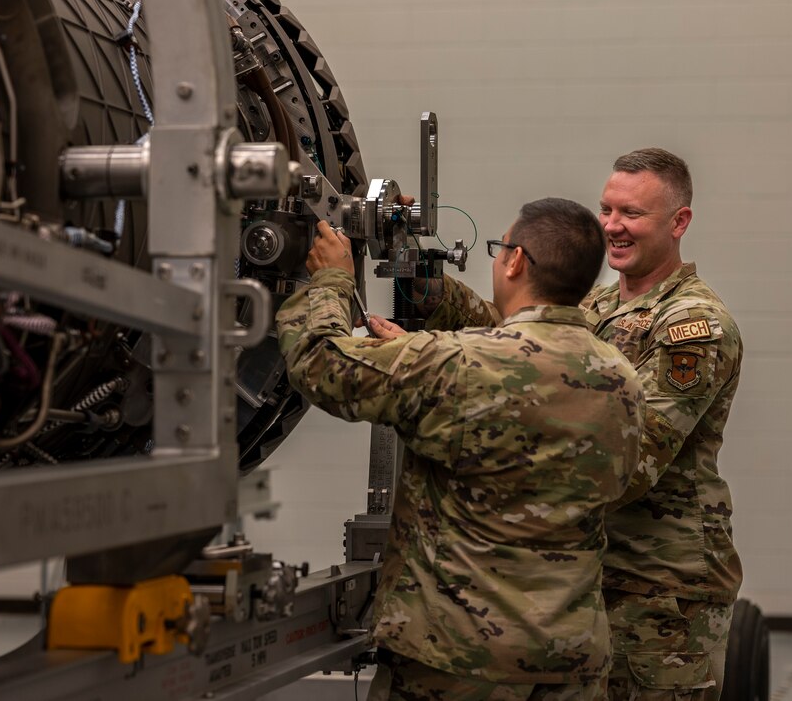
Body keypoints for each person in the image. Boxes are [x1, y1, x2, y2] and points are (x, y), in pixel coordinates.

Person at [276, 198, 646, 700]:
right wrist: (415, 357)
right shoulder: (619, 375)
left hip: (460, 661)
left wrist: (332, 282)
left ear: (514, 260)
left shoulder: (457, 365)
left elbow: (320, 364)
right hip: (570, 658)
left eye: (499, 249)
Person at [409, 148, 744, 700]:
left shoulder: (693, 324)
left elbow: (633, 465)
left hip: (659, 586)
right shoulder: (598, 306)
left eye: (631, 214)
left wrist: (504, 480)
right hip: (589, 572)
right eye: (606, 210)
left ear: (678, 222)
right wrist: (426, 283)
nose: (612, 226)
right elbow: (507, 329)